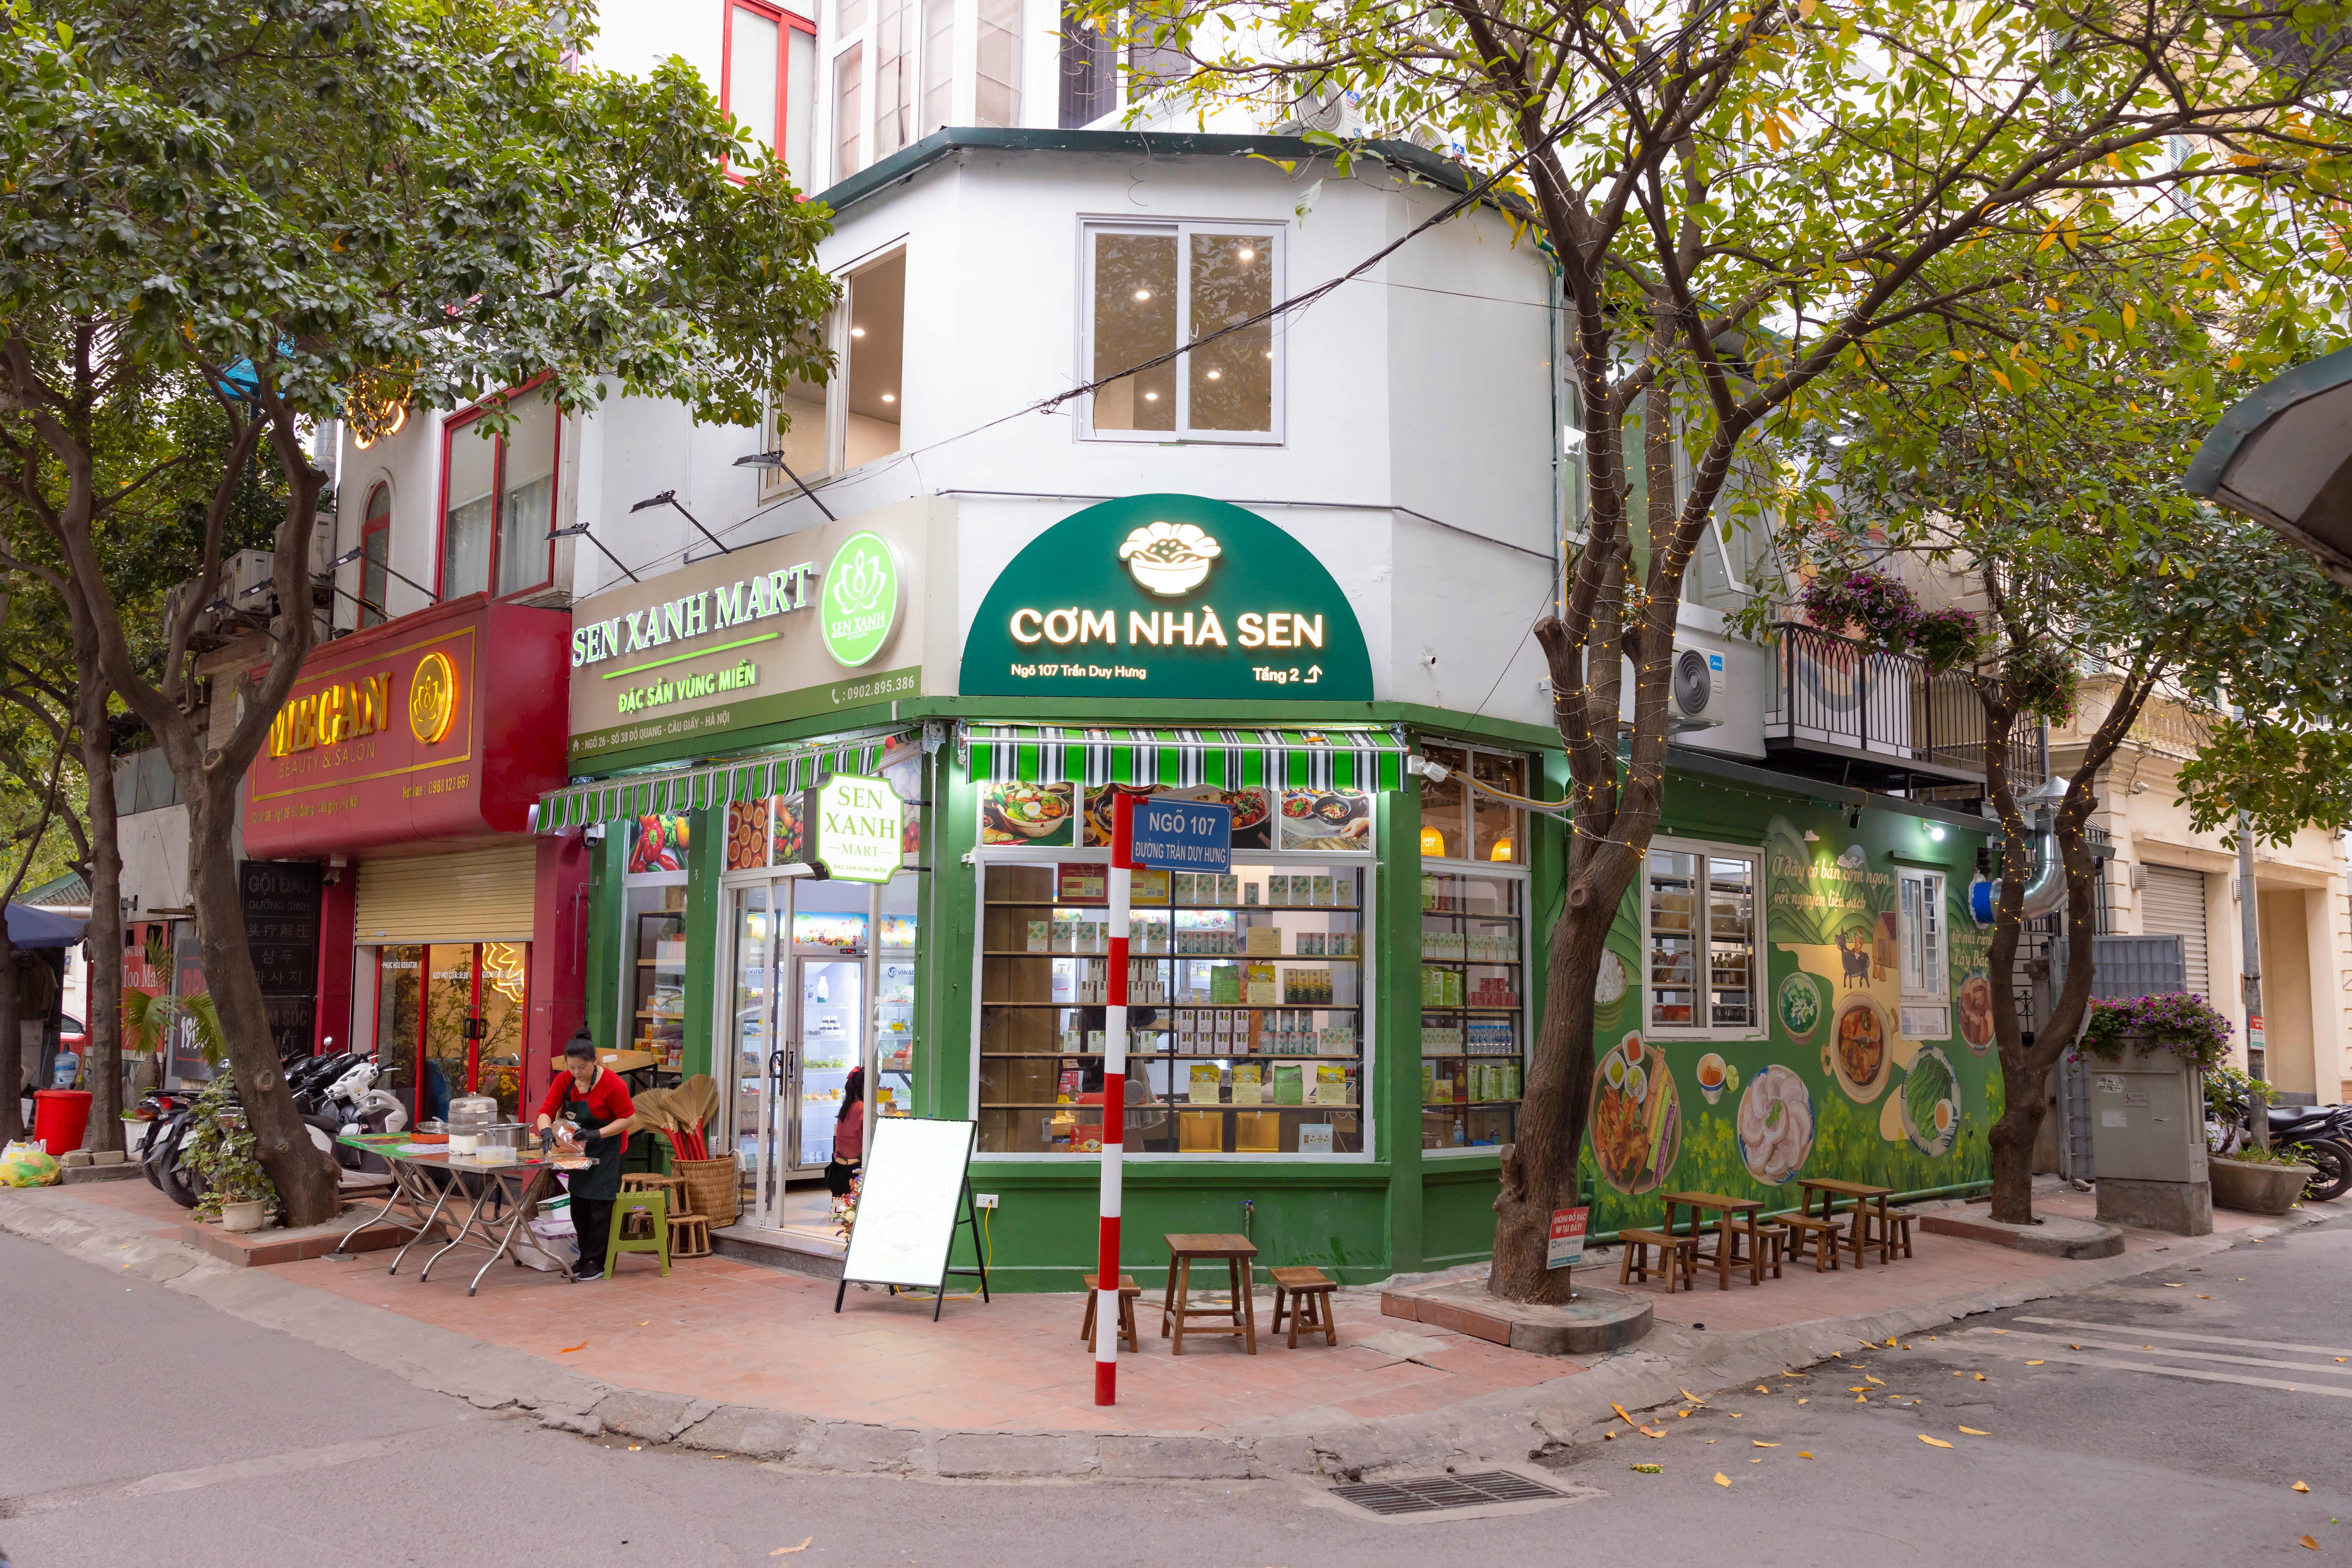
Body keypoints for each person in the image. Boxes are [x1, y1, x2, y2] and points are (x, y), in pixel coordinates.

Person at [536, 1032, 634, 1281]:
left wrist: (597, 1134)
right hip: (578, 1152)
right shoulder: (565, 1080)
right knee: (579, 1205)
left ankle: (596, 1262)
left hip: (608, 1150)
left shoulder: (613, 1084)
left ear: (595, 1061)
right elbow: (546, 1110)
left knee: (600, 1208)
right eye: (572, 1067)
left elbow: (628, 1119)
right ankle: (584, 1257)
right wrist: (545, 1130)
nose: (577, 1073)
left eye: (583, 1067)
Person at [825, 1066, 864, 1198]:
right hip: (853, 1178)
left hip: (836, 1174)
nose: (877, 1092)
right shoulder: (862, 1109)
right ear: (864, 1088)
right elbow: (868, 1143)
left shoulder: (846, 1107)